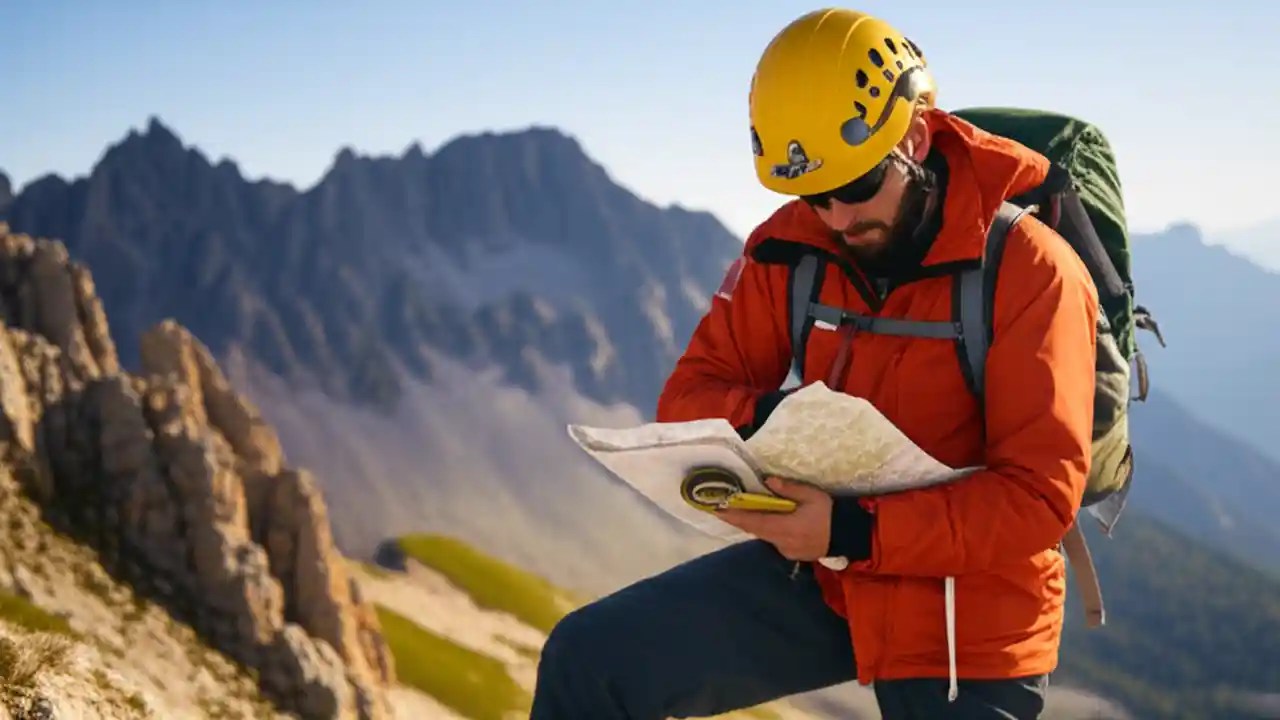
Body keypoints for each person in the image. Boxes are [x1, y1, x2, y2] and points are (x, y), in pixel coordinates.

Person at [530, 7, 1099, 720]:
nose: (834, 216)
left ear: (916, 137)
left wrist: (852, 530)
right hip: (828, 577)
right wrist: (776, 420)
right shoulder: (789, 249)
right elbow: (688, 397)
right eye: (812, 193)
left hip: (971, 616)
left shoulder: (1033, 270)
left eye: (857, 186)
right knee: (590, 662)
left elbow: (1038, 500)